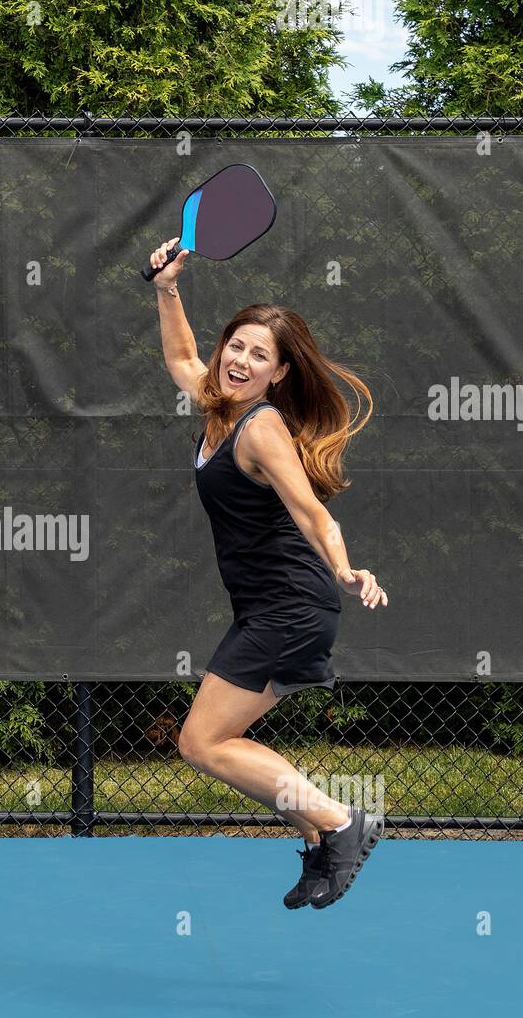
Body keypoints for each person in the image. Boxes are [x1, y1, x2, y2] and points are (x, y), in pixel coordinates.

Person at [149, 238, 387, 909]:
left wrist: (344, 568)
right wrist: (167, 287)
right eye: (236, 345)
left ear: (278, 373)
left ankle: (342, 823)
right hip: (266, 609)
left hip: (292, 604)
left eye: (259, 354)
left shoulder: (259, 431)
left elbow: (311, 513)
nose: (240, 360)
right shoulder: (215, 407)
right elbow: (177, 357)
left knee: (200, 741)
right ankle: (318, 842)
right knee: (221, 739)